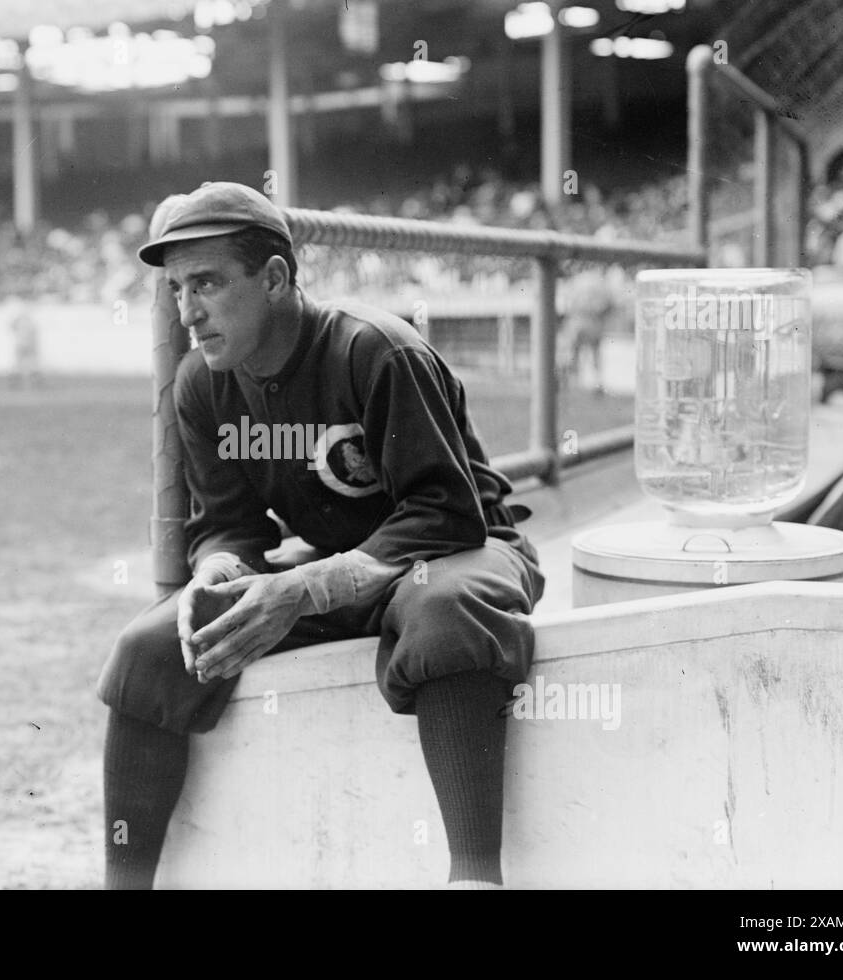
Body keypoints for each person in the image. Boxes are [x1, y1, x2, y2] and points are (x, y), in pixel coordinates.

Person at [96, 182, 545, 889]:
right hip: (337, 567)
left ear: (275, 278)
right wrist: (218, 570)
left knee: (443, 611)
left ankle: (475, 876)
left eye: (207, 283)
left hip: (458, 550)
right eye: (179, 289)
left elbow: (447, 510)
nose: (188, 310)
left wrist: (307, 587)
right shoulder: (202, 386)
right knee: (153, 646)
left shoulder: (375, 350)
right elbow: (228, 527)